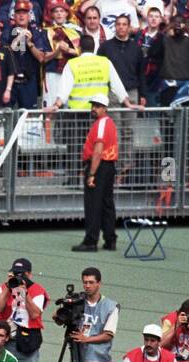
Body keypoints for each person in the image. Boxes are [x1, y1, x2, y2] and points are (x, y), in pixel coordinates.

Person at [74, 94, 117, 253]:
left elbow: (98, 150)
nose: (93, 108)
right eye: (93, 105)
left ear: (105, 108)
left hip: (99, 167)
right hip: (109, 166)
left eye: (97, 106)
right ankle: (110, 239)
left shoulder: (100, 124)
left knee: (93, 205)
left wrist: (91, 173)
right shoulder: (110, 123)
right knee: (107, 204)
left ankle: (91, 241)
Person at [0, 256, 47, 362]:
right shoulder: (5, 287)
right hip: (6, 340)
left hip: (27, 341)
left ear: (29, 274)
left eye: (21, 274)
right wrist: (8, 288)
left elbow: (35, 314)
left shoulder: (38, 290)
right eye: (16, 273)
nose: (18, 276)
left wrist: (25, 293)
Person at [64, 265, 118, 362]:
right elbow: (57, 317)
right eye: (85, 282)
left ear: (99, 283)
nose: (87, 286)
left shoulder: (111, 306)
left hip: (99, 359)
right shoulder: (78, 302)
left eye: (91, 282)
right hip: (78, 356)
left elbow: (108, 335)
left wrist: (86, 339)